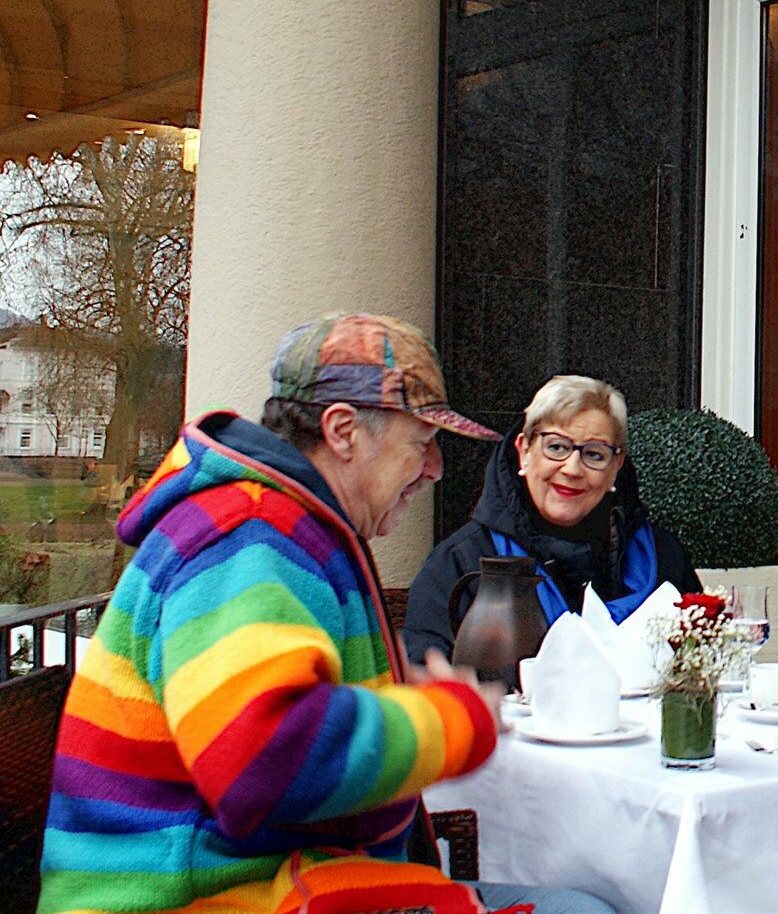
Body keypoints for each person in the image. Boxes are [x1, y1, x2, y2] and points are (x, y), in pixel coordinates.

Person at [37, 313, 614, 914]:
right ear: (343, 431)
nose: (436, 468)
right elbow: (260, 760)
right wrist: (447, 721)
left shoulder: (281, 526)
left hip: (286, 884)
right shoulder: (251, 536)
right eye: (421, 442)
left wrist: (394, 703)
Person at [405, 374, 698, 663]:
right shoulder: (460, 561)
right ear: (524, 451)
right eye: (556, 447)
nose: (572, 469)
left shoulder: (663, 558)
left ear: (616, 467)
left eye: (594, 454)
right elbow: (427, 675)